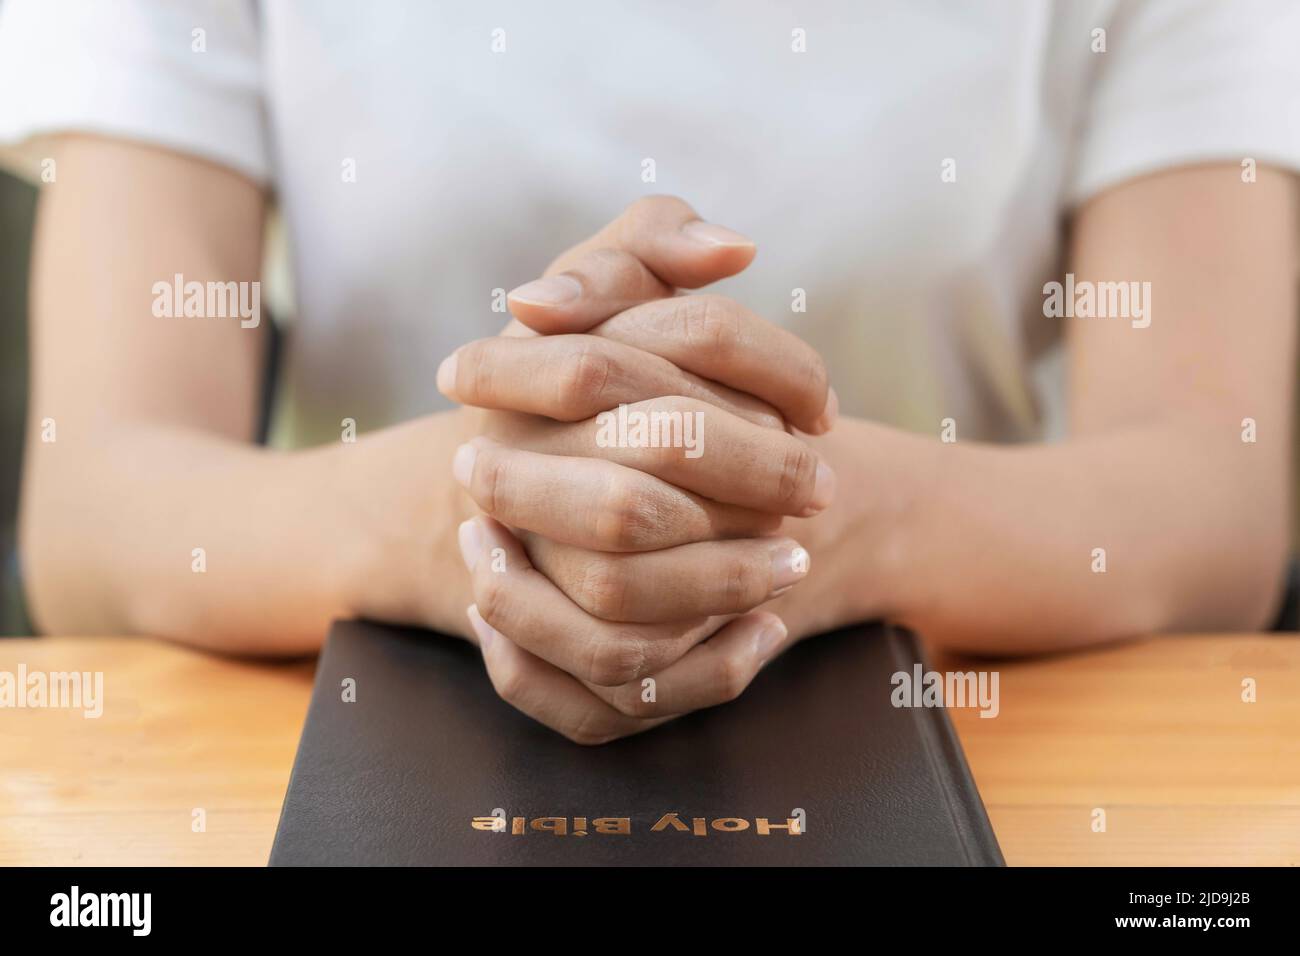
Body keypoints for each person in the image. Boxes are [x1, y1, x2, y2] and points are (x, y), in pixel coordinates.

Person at [1, 1, 1296, 742]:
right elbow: (94, 506)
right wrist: (462, 517)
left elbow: (1213, 503)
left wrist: (814, 515)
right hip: (357, 724)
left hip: (983, 723)